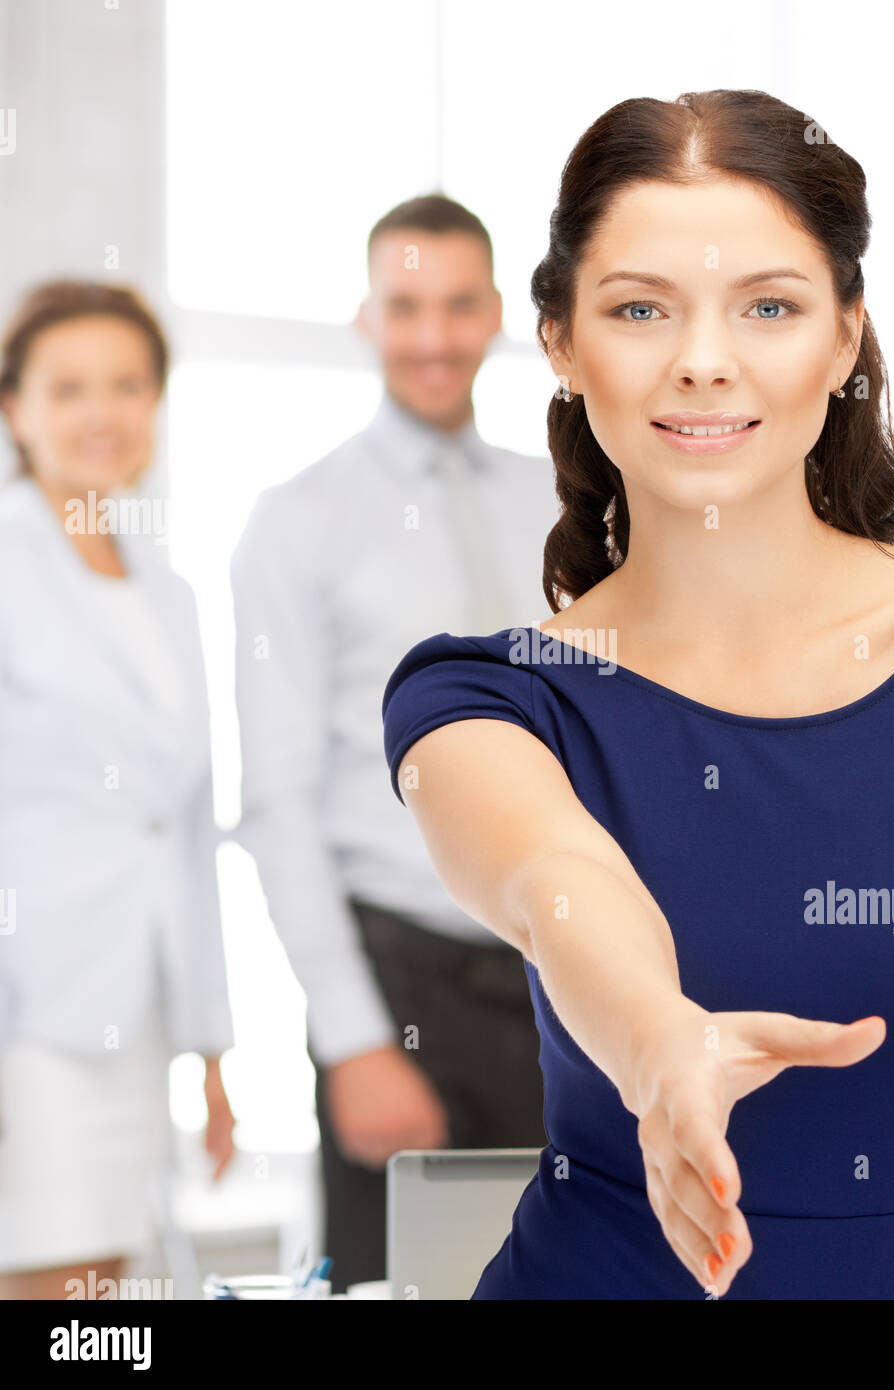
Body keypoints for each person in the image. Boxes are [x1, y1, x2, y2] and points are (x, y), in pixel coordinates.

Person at [381, 89, 894, 1300]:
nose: (704, 361)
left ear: (844, 338)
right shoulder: (489, 696)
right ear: (563, 341)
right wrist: (662, 1046)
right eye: (639, 310)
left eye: (768, 306)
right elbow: (556, 886)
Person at [232, 196, 558, 1292]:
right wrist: (354, 1038)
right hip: (396, 972)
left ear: (496, 314)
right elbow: (277, 798)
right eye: (406, 306)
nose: (433, 335)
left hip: (556, 965)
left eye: (459, 304)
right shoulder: (296, 519)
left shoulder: (561, 502)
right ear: (365, 318)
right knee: (396, 1288)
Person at [0, 280, 235, 1300]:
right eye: (70, 387)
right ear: (16, 408)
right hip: (25, 1007)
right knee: (44, 1279)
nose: (103, 412)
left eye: (128, 385)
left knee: (102, 1279)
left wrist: (212, 1053)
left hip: (132, 1006)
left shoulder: (166, 589)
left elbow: (182, 829)